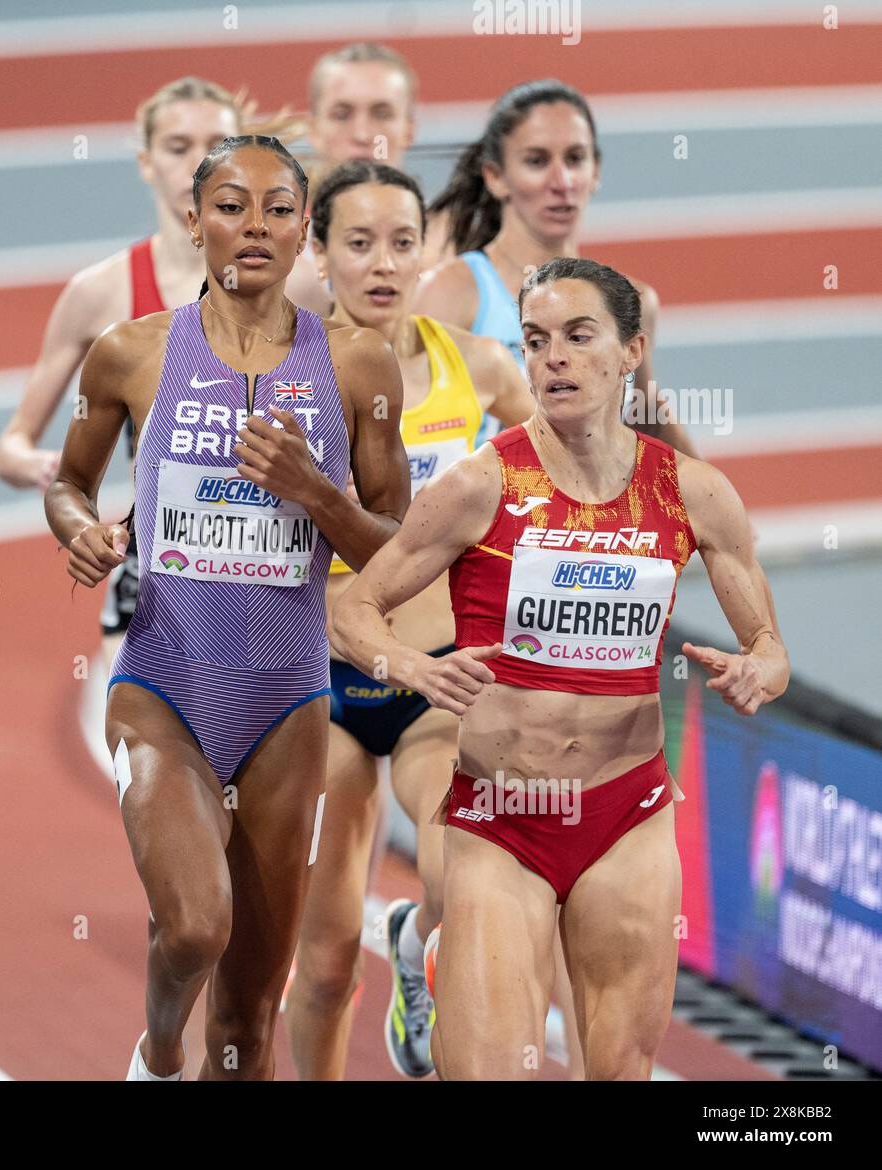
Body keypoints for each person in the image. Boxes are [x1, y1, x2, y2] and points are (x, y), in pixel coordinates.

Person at [332, 256, 788, 1080]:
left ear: (629, 352)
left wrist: (760, 667)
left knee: (617, 1073)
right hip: (501, 818)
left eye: (580, 338)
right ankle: (441, 966)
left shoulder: (692, 492)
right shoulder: (479, 484)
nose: (555, 359)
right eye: (538, 341)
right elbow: (350, 610)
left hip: (629, 814)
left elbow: (771, 648)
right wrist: (405, 662)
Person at [45, 136, 410, 1080]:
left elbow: (399, 554)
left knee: (250, 1024)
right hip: (165, 684)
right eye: (231, 206)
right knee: (196, 929)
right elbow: (68, 483)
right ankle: (158, 1055)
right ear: (194, 218)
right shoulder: (132, 352)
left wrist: (316, 494)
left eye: (279, 208)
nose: (254, 227)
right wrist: (80, 529)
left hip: (289, 704)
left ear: (305, 233)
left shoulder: (361, 369)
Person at [279, 160, 531, 1080]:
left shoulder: (483, 368)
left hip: (437, 677)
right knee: (326, 956)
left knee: (456, 884)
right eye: (357, 243)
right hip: (321, 685)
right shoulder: (286, 376)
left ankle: (417, 950)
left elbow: (549, 483)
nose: (383, 263)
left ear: (429, 251)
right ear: (319, 252)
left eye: (402, 242)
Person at [0, 78, 245, 647]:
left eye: (217, 144)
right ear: (146, 162)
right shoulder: (100, 293)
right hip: (156, 573)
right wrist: (46, 469)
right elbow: (11, 447)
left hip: (268, 565)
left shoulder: (297, 282)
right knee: (146, 738)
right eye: (178, 146)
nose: (198, 162)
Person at [415, 79, 696, 458]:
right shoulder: (453, 293)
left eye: (575, 159)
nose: (561, 182)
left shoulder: (633, 300)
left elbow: (646, 419)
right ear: (496, 177)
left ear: (595, 171)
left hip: (598, 515)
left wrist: (721, 508)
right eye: (536, 161)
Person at [286, 41, 419, 316]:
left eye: (381, 114)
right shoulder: (279, 260)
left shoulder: (449, 257)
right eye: (342, 114)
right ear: (313, 130)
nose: (362, 134)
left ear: (408, 128)